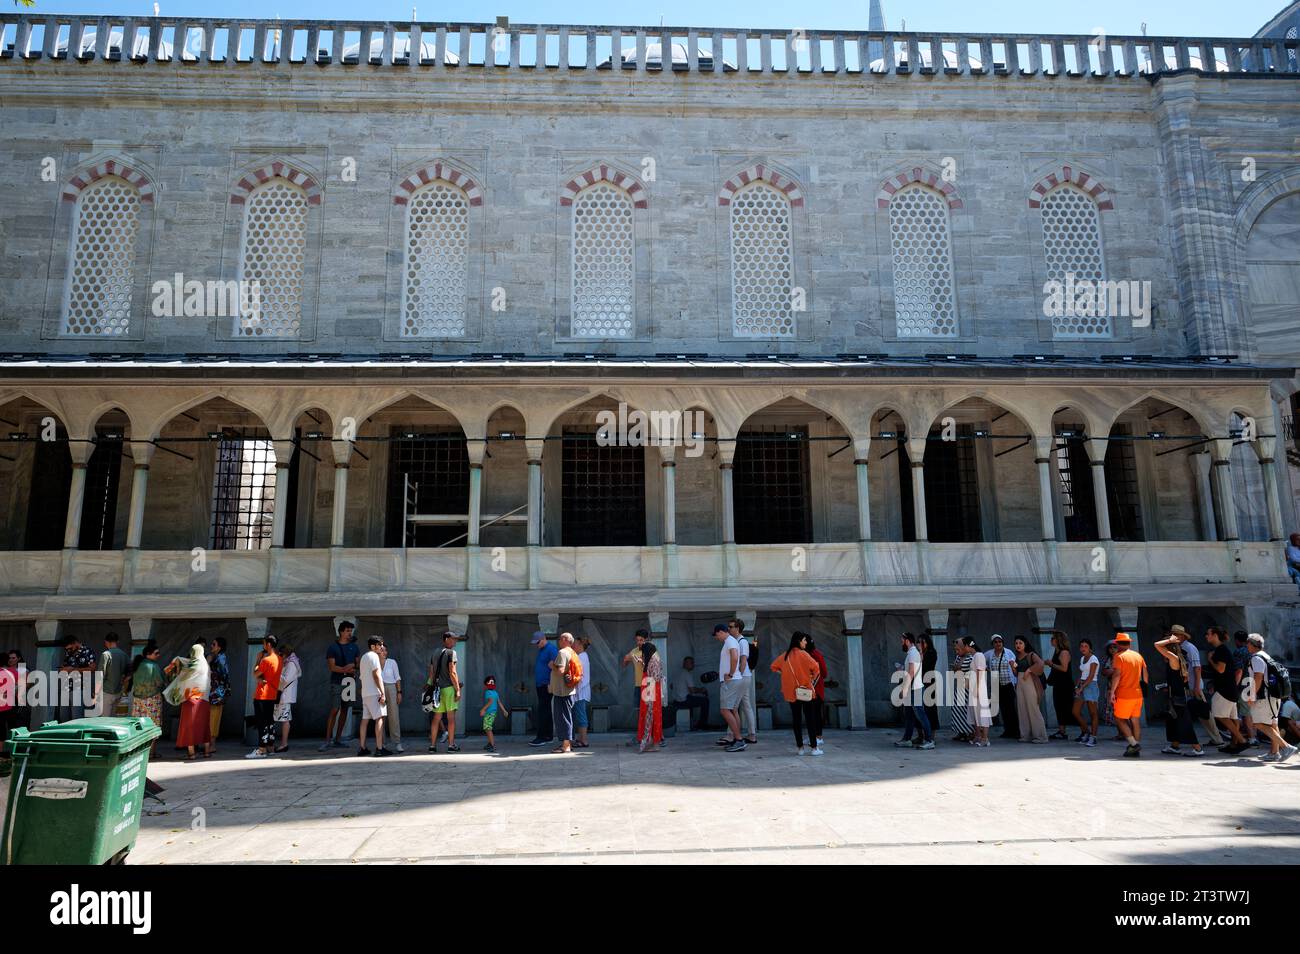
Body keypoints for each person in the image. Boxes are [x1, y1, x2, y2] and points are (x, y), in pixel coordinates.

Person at [1244, 633, 1297, 762]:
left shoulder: (1256, 658)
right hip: (1273, 695)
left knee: (1259, 723)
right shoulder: (1266, 656)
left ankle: (1286, 747)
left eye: (1248, 644)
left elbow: (1258, 677)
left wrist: (1252, 694)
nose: (1247, 646)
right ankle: (1274, 753)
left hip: (1265, 697)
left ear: (1252, 644)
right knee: (1273, 724)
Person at [770, 630, 822, 756]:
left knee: (796, 720)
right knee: (810, 719)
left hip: (791, 692)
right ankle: (814, 748)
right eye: (804, 640)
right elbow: (816, 668)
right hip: (806, 691)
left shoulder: (785, 656)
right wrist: (811, 678)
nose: (806, 642)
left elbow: (773, 667)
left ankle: (800, 748)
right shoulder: (804, 654)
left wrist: (785, 674)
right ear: (799, 641)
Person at [1153, 632, 1203, 756]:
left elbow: (1157, 645)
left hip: (1177, 697)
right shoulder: (1178, 658)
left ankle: (1197, 749)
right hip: (1175, 694)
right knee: (1173, 721)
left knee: (1183, 722)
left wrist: (1170, 640)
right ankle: (1175, 746)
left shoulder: (1174, 658)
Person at [1171, 624, 1222, 746]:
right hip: (1187, 686)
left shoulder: (1189, 648)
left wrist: (1197, 687)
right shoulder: (1178, 648)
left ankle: (1217, 739)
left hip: (1194, 686)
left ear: (1182, 636)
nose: (1174, 636)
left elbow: (1197, 668)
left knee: (1204, 714)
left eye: (1176, 634)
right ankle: (1177, 741)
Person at [164, 641, 211, 761]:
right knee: (204, 726)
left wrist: (178, 666)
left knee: (189, 727)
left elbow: (181, 677)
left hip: (191, 700)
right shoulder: (205, 665)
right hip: (204, 700)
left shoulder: (192, 666)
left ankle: (191, 753)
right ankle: (206, 752)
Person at [1205, 626, 1246, 753]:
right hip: (1230, 689)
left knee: (1220, 715)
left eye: (1208, 633)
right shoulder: (1222, 649)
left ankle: (1241, 740)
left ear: (1215, 635)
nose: (1206, 636)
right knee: (1233, 718)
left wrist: (1210, 659)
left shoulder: (1220, 650)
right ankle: (1234, 744)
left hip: (1224, 690)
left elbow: (1220, 669)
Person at [320, 620, 360, 752]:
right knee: (334, 709)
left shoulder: (354, 647)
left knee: (345, 710)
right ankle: (327, 740)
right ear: (341, 631)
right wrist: (345, 669)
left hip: (350, 682)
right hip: (337, 681)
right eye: (347, 631)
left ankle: (338, 739)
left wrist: (353, 667)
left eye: (351, 631)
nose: (349, 633)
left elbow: (358, 664)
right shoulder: (333, 647)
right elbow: (332, 667)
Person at [1109, 632, 1148, 758]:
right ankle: (1135, 747)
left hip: (1124, 694)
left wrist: (1112, 692)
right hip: (1138, 694)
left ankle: (1133, 744)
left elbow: (1116, 675)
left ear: (1118, 644)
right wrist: (1145, 689)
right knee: (1135, 720)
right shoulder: (1138, 656)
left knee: (1119, 719)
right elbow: (1145, 675)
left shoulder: (1118, 657)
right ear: (1129, 643)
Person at [124, 641, 165, 758]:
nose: (158, 655)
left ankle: (139, 754)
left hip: (138, 700)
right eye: (156, 653)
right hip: (152, 700)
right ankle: (151, 753)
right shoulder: (154, 666)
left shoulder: (137, 665)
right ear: (149, 654)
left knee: (139, 727)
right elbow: (160, 682)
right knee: (153, 726)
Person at [893, 632, 934, 749]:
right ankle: (907, 739)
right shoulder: (912, 653)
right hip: (913, 687)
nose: (901, 644)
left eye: (902, 641)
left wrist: (904, 689)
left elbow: (911, 672)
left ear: (907, 641)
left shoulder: (912, 653)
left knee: (920, 714)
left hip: (914, 688)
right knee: (910, 715)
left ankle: (929, 740)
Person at [246, 635, 282, 760]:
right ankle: (270, 747)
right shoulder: (279, 658)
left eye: (264, 643)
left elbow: (255, 673)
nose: (263, 646)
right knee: (270, 722)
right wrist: (262, 678)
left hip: (262, 695)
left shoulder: (266, 660)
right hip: (272, 694)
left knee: (262, 723)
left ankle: (261, 749)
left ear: (269, 645)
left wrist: (257, 660)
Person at [714, 623, 747, 752]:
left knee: (725, 710)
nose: (717, 638)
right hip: (733, 680)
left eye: (717, 635)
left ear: (721, 632)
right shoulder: (730, 641)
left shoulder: (729, 641)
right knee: (733, 710)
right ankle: (736, 738)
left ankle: (739, 739)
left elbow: (734, 656)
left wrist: (731, 673)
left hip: (731, 681)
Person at [427, 630, 461, 753]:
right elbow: (453, 672)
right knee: (451, 719)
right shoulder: (452, 653)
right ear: (446, 639)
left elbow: (431, 673)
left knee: (436, 718)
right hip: (448, 689)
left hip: (437, 690)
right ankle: (451, 745)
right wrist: (457, 689)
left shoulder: (435, 653)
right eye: (453, 639)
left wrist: (428, 685)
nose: (455, 641)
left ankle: (432, 746)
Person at [1011, 636, 1048, 743]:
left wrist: (1029, 670)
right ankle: (1025, 735)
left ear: (1025, 644)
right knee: (1022, 708)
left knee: (1033, 708)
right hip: (1020, 682)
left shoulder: (1031, 655)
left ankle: (1041, 737)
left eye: (1020, 643)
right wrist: (1012, 667)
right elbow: (1016, 673)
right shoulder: (1017, 657)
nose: (1018, 645)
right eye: (1016, 643)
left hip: (1030, 682)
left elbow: (1040, 663)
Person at [549, 632, 580, 754]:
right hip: (569, 690)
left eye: (560, 639)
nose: (559, 641)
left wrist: (552, 666)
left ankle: (566, 745)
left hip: (562, 692)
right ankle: (568, 743)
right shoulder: (572, 652)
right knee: (568, 717)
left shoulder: (562, 653)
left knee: (562, 718)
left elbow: (560, 671)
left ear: (565, 640)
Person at [729, 619, 758, 745]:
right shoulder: (738, 641)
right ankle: (751, 734)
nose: (729, 629)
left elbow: (743, 661)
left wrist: (737, 676)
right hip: (744, 676)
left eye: (731, 627)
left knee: (732, 707)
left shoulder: (742, 642)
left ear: (737, 628)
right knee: (746, 705)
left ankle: (733, 735)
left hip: (742, 677)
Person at [985, 635, 1019, 739]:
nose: (998, 643)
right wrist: (987, 669)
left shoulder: (1008, 653)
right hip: (996, 684)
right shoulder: (990, 654)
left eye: (1000, 641)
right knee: (1003, 709)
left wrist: (1016, 681)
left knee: (1011, 708)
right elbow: (980, 659)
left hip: (1008, 683)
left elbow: (1015, 666)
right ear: (992, 644)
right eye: (995, 642)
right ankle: (1007, 730)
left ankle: (1015, 731)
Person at [528, 631, 557, 747]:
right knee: (545, 710)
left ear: (544, 639)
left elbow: (557, 664)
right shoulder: (542, 649)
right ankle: (548, 736)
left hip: (546, 685)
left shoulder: (551, 649)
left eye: (538, 642)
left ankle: (541, 737)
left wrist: (551, 683)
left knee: (543, 711)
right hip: (541, 684)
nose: (537, 645)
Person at [57, 635, 96, 722]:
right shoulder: (69, 653)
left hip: (79, 688)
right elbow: (66, 666)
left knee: (76, 717)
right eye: (66, 649)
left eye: (70, 648)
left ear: (75, 643)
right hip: (66, 687)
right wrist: (63, 670)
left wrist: (73, 670)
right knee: (63, 717)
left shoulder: (87, 651)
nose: (68, 650)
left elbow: (92, 669)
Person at [622, 629, 649, 744]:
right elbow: (625, 659)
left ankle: (657, 737)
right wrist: (627, 661)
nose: (639, 642)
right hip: (638, 685)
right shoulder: (634, 651)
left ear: (646, 639)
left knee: (650, 712)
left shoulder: (651, 650)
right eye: (637, 640)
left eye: (641, 640)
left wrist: (642, 662)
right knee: (639, 712)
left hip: (649, 684)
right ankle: (641, 736)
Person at [1072, 638, 1100, 746]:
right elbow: (1082, 674)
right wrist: (1077, 686)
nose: (1083, 648)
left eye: (1085, 646)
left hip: (1091, 685)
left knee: (1093, 713)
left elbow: (1091, 675)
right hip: (1082, 685)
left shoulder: (1094, 659)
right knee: (1075, 711)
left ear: (1090, 648)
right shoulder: (1082, 658)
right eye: (1081, 646)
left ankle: (1093, 737)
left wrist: (1081, 687)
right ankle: (1087, 732)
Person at [274, 641, 301, 753]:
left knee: (285, 720)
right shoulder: (288, 663)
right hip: (283, 695)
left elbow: (285, 680)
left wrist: (275, 672)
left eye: (281, 654)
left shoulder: (291, 664)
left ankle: (284, 744)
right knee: (284, 719)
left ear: (285, 654)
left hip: (285, 696)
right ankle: (283, 743)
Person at [638, 641, 665, 753]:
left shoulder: (654, 660)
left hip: (651, 690)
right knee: (650, 716)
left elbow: (654, 678)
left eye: (643, 653)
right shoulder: (653, 658)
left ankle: (654, 743)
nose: (643, 655)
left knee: (651, 715)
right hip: (650, 688)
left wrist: (648, 695)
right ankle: (651, 741)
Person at [1232, 631, 1258, 746]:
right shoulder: (1253, 651)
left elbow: (1238, 670)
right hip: (1254, 683)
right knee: (1250, 712)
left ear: (1237, 640)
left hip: (1243, 684)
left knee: (1245, 713)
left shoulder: (1239, 652)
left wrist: (1234, 685)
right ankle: (1254, 736)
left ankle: (1252, 738)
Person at [964, 638, 991, 746]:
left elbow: (981, 671)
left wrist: (978, 688)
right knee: (974, 712)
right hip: (974, 686)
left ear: (968, 646)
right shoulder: (974, 656)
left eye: (964, 646)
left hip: (979, 687)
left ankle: (985, 738)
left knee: (982, 713)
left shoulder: (979, 655)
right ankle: (978, 736)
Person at [671, 655, 709, 731]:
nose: (693, 665)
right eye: (691, 663)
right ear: (685, 664)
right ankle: (702, 725)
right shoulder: (687, 674)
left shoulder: (677, 673)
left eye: (692, 663)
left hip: (676, 701)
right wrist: (702, 690)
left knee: (691, 699)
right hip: (683, 700)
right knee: (705, 701)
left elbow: (671, 686)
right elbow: (692, 690)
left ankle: (692, 724)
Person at [95, 631, 129, 718]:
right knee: (114, 719)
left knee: (104, 719)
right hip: (119, 691)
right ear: (117, 642)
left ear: (106, 642)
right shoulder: (124, 655)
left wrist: (95, 692)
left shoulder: (106, 655)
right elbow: (128, 674)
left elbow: (100, 675)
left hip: (106, 691)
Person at [1046, 631, 1073, 740]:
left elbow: (1064, 668)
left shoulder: (1064, 652)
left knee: (1067, 708)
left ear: (1058, 640)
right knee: (1059, 707)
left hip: (1065, 685)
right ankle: (1062, 731)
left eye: (1053, 638)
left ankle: (1084, 730)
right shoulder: (1056, 651)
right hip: (1058, 683)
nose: (1051, 640)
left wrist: (1051, 664)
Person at [206, 637, 230, 755]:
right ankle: (209, 744)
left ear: (219, 647)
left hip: (217, 694)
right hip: (213, 693)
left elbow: (223, 676)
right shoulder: (217, 657)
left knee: (213, 719)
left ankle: (212, 744)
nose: (211, 646)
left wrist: (208, 663)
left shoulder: (221, 658)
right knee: (211, 718)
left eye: (213, 644)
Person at [380, 642, 404, 753]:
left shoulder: (392, 662)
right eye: (382, 650)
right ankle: (382, 743)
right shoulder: (374, 663)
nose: (384, 652)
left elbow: (397, 678)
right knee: (380, 717)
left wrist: (399, 692)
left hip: (391, 688)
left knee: (394, 715)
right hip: (379, 689)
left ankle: (397, 742)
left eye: (385, 650)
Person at [916, 633, 941, 741]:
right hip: (919, 683)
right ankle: (920, 735)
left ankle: (931, 737)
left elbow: (925, 666)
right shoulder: (918, 653)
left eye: (922, 642)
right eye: (918, 642)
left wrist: (921, 652)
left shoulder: (931, 653)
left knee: (930, 710)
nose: (920, 644)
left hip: (929, 683)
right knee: (918, 710)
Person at [949, 636, 972, 743]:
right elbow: (956, 669)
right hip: (959, 686)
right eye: (955, 649)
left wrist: (958, 668)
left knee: (968, 710)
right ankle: (961, 731)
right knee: (958, 710)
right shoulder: (958, 657)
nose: (957, 651)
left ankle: (971, 733)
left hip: (968, 687)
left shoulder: (971, 657)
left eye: (958, 649)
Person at [806, 636, 828, 748]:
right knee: (811, 713)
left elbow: (824, 672)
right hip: (810, 689)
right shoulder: (809, 654)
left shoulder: (815, 655)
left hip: (816, 689)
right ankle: (813, 735)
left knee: (816, 714)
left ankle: (818, 737)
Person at [479, 676, 508, 752]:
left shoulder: (488, 692)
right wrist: (504, 711)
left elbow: (490, 701)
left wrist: (483, 709)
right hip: (493, 713)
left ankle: (492, 745)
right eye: (490, 682)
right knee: (487, 728)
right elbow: (499, 702)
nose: (491, 683)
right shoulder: (495, 693)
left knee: (488, 728)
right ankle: (490, 743)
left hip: (489, 713)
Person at [574, 634, 592, 748]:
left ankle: (584, 740)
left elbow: (580, 675)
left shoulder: (581, 657)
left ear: (580, 645)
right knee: (580, 715)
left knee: (581, 716)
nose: (573, 646)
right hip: (581, 690)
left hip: (581, 690)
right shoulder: (582, 656)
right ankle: (581, 738)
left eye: (575, 644)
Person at [6, 650, 31, 733]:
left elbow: (27, 684)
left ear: (19, 658)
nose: (11, 660)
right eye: (9, 658)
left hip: (19, 701)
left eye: (13, 658)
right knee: (10, 724)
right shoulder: (6, 669)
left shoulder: (22, 669)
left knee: (19, 724)